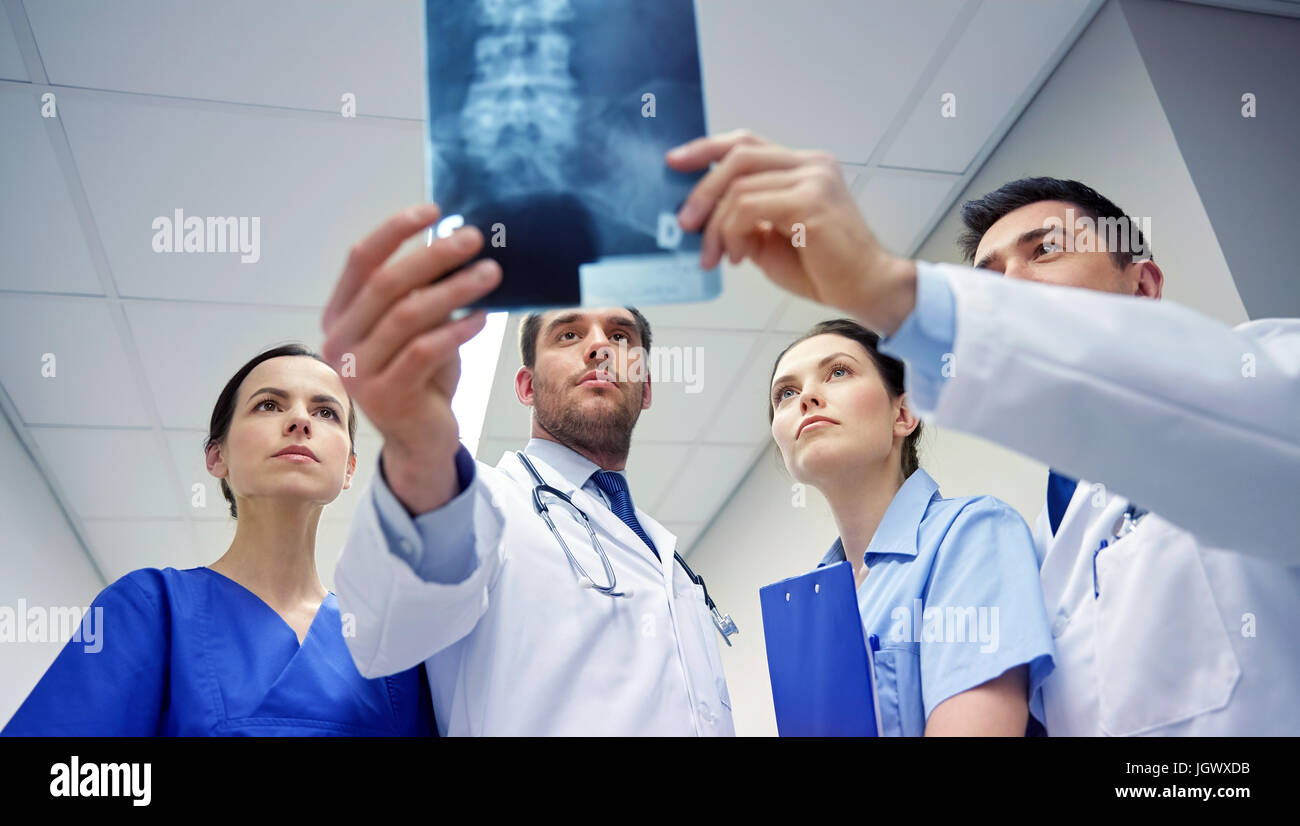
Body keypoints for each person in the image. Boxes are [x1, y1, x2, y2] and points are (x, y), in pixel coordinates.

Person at [668, 130, 1300, 735]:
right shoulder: (1045, 549)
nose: (1014, 287)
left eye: (1045, 250)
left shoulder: (1269, 376)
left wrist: (887, 288)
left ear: (1144, 284)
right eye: (989, 279)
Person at [320, 205, 733, 736]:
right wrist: (421, 448)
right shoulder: (483, 502)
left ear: (647, 388)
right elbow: (382, 632)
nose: (600, 346)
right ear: (526, 387)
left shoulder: (666, 554)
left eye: (621, 335)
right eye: (568, 334)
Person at [2, 344, 434, 736]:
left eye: (326, 413)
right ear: (217, 456)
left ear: (349, 469)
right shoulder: (152, 609)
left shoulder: (387, 648)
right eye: (269, 404)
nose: (301, 420)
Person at [767, 318, 1053, 735]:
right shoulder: (811, 610)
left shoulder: (972, 535)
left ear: (903, 413)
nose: (806, 397)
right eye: (786, 394)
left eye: (839, 372)